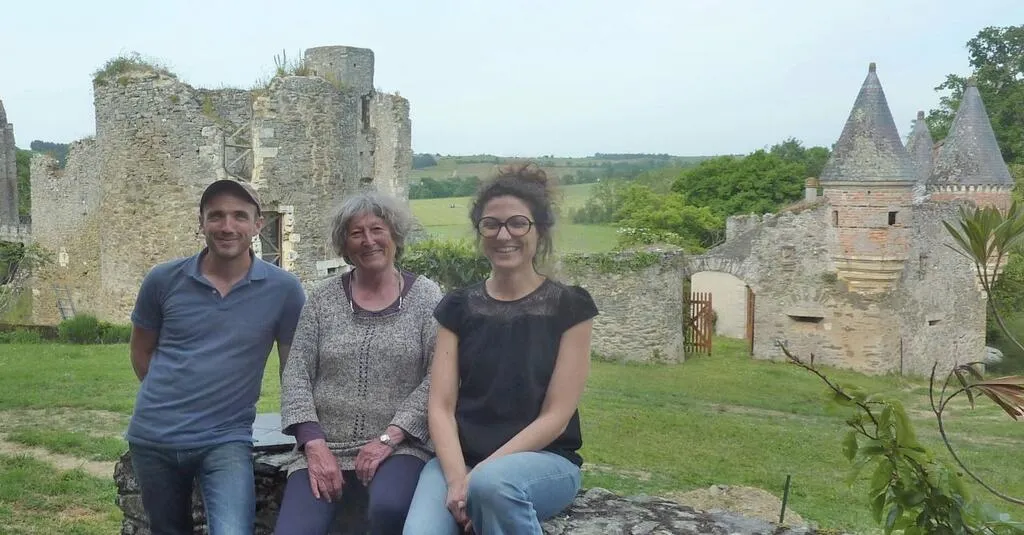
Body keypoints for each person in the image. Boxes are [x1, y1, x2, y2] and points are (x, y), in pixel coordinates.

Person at [404, 163, 599, 534]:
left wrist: (479, 477)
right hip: (459, 461)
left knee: (493, 486)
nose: (503, 234)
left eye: (517, 223)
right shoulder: (458, 307)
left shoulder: (570, 306)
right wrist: (459, 476)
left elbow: (555, 416)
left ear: (539, 230)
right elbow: (441, 407)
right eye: (491, 224)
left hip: (543, 462)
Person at [126, 179, 306, 535]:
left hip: (225, 440)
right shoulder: (163, 280)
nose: (227, 226)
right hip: (154, 438)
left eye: (240, 216)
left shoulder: (284, 290)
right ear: (201, 222)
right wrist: (172, 401)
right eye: (217, 216)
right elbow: (140, 351)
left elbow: (293, 371)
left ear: (258, 224)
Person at [276, 191, 443, 535]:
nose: (369, 241)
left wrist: (389, 437)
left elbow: (437, 376)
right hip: (325, 446)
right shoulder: (322, 299)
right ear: (345, 245)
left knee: (389, 507)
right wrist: (314, 444)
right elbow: (296, 374)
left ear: (394, 235)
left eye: (377, 229)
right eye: (356, 233)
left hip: (400, 447)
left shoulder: (427, 297)